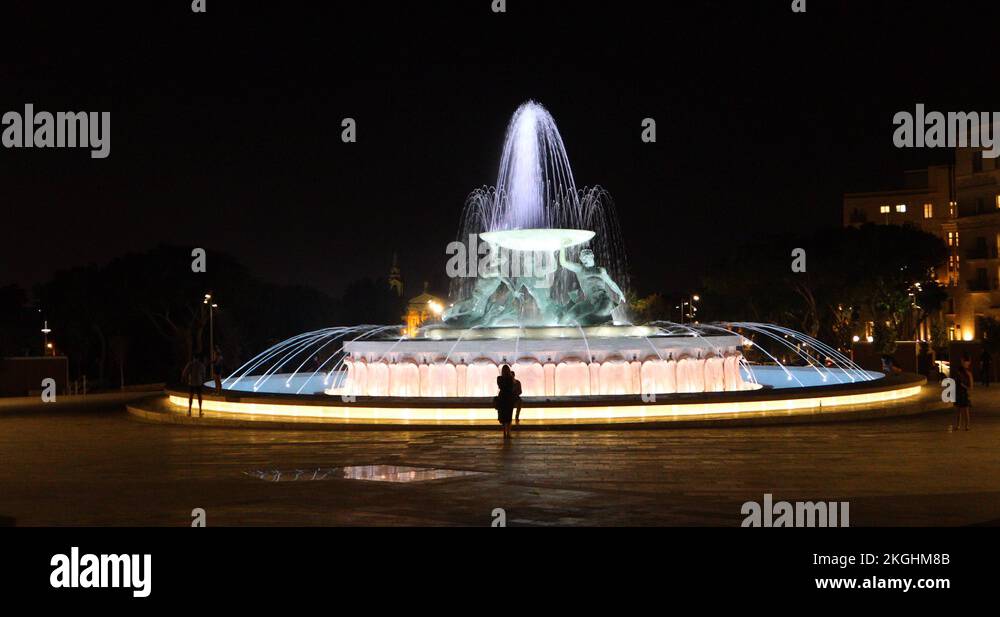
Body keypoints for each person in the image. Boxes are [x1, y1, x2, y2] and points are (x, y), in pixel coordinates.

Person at [495, 364, 517, 439]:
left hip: (502, 397)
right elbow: (512, 387)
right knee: (509, 417)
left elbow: (500, 386)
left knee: (503, 417)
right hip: (509, 398)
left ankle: (504, 433)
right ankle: (509, 433)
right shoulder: (511, 378)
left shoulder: (499, 378)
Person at [953, 353, 973, 432]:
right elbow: (956, 382)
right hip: (958, 393)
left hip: (964, 393)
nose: (963, 363)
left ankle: (967, 426)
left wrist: (963, 385)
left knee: (965, 411)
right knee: (958, 411)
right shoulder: (959, 372)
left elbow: (970, 387)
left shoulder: (968, 374)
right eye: (962, 361)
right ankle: (958, 425)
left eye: (964, 362)